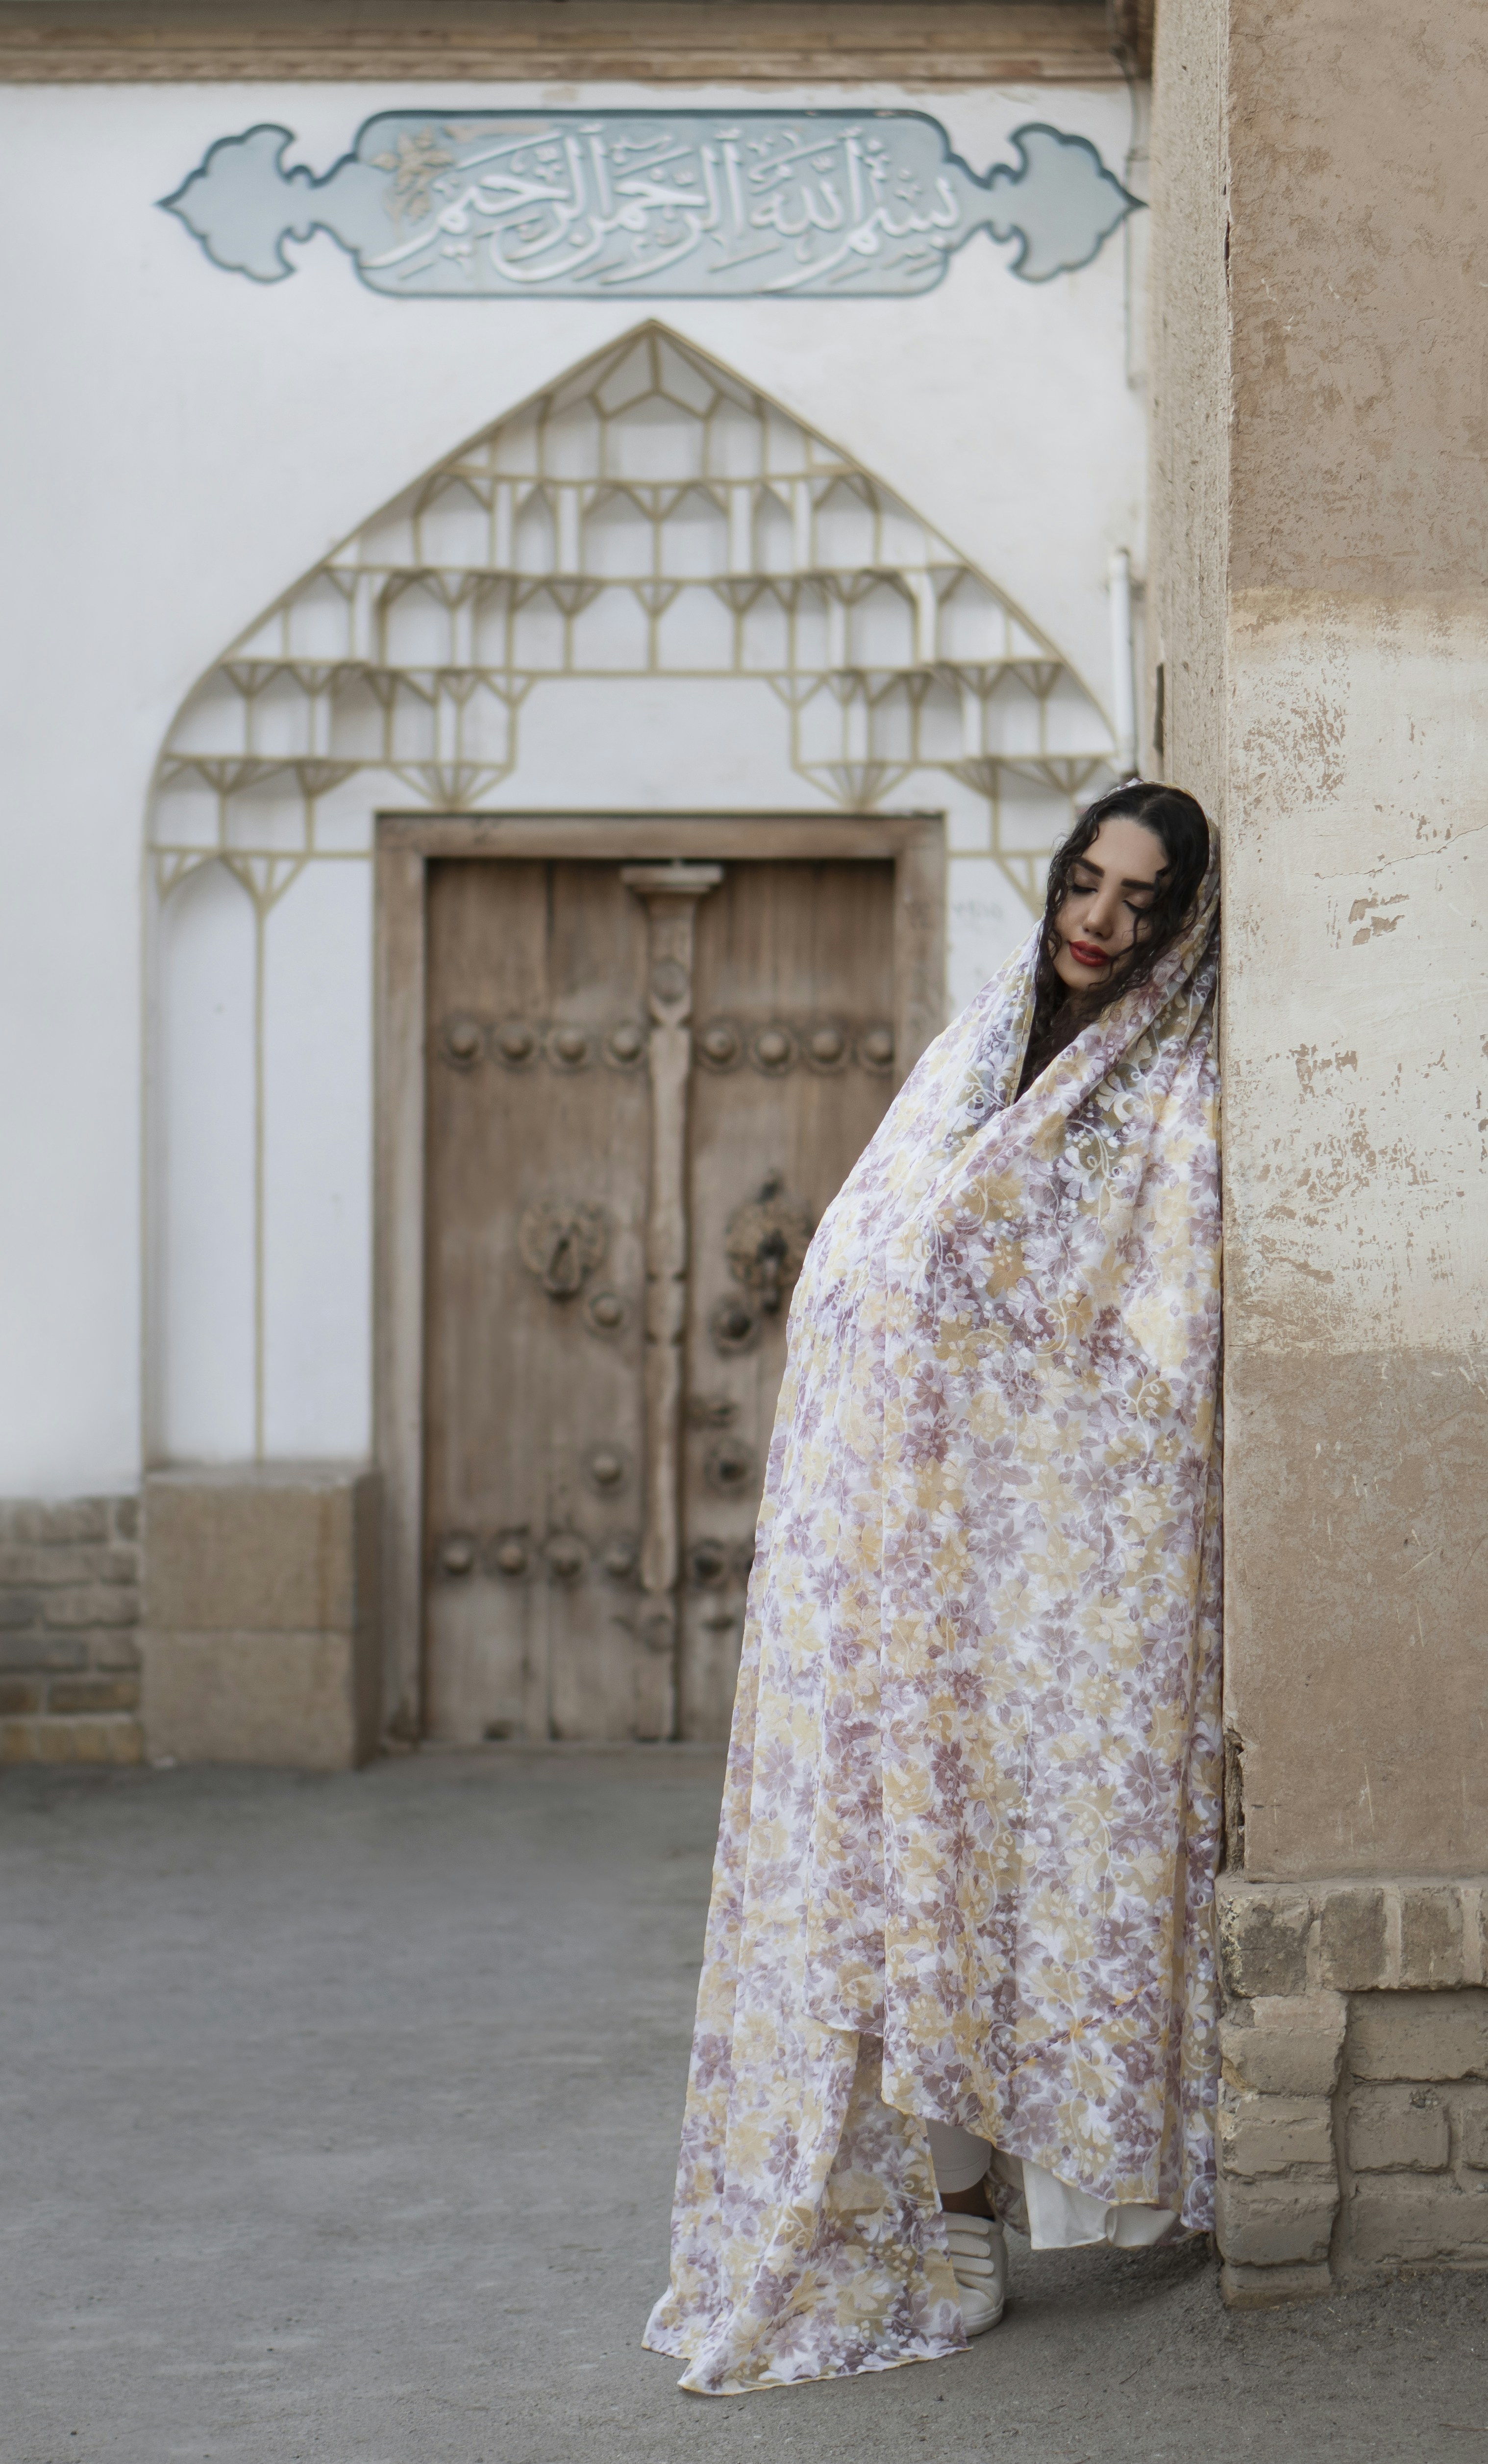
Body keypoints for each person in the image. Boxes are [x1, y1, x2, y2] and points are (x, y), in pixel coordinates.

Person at [645, 781, 1222, 2395]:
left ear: (1179, 925)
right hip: (877, 1565)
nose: (1097, 919)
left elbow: (1154, 1348)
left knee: (980, 1862)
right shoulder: (971, 1050)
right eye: (1084, 880)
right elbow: (864, 1268)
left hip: (1027, 1577)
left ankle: (995, 2204)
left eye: (1138, 900)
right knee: (882, 1874)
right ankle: (944, 2215)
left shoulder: (1169, 1098)